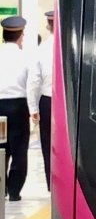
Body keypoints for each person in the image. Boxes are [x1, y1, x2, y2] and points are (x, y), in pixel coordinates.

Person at [0, 16, 31, 201]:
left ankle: (0, 187)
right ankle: (14, 191)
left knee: (1, 148)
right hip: (19, 106)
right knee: (19, 149)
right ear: (20, 36)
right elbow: (31, 84)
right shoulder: (25, 58)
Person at [28, 10, 53, 189]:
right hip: (71, 104)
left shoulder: (41, 50)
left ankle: (51, 184)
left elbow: (34, 82)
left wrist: (33, 109)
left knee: (47, 144)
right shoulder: (73, 47)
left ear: (48, 26)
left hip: (48, 102)